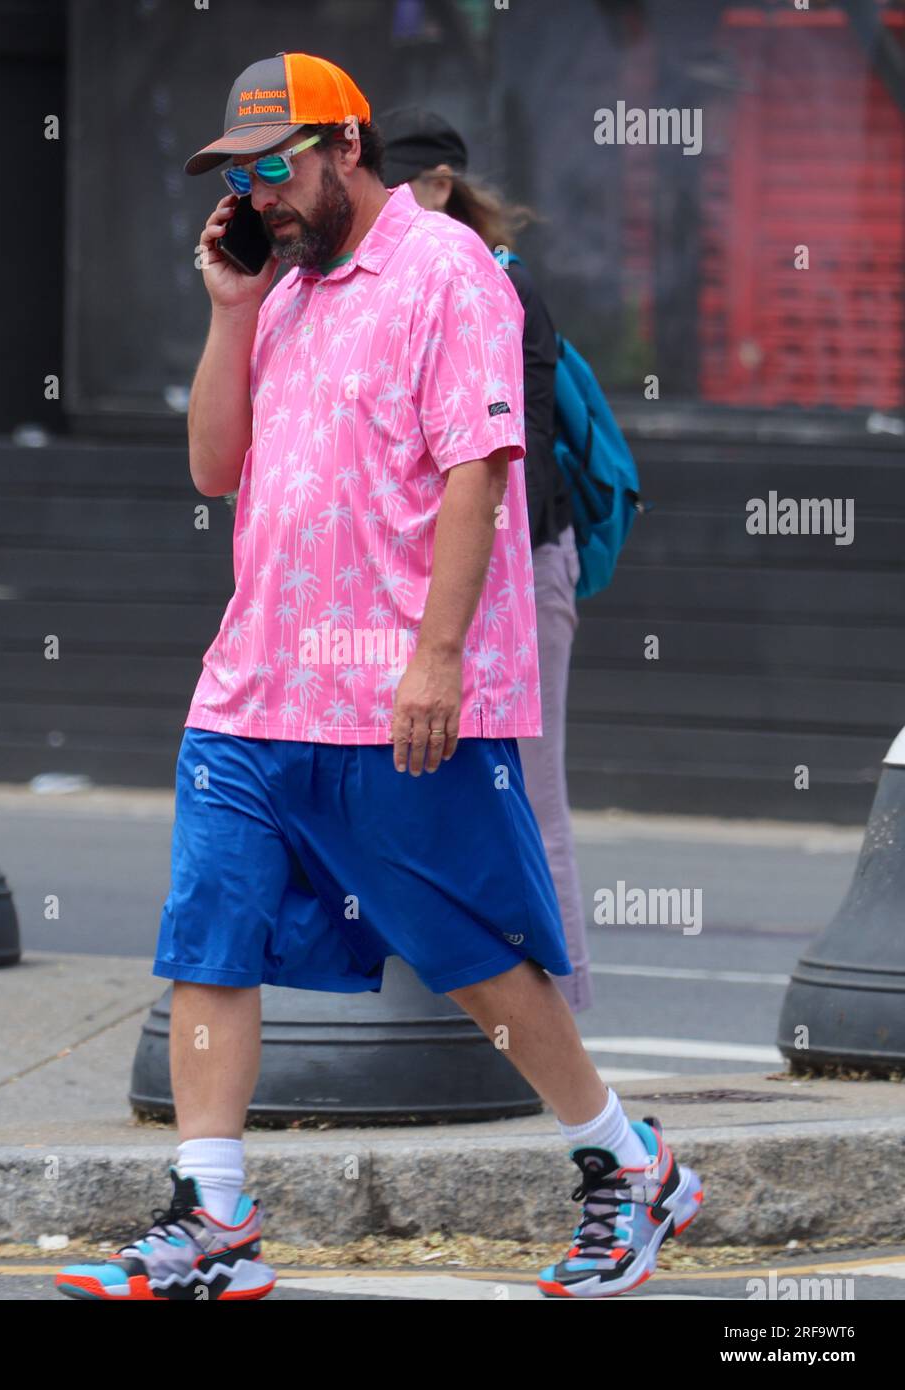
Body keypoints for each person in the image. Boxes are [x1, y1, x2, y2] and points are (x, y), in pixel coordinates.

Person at [56, 52, 702, 1303]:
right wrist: (229, 310)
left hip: (394, 691)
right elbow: (211, 467)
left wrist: (440, 659)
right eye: (238, 173)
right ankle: (213, 1212)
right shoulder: (280, 292)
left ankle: (628, 1162)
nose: (256, 194)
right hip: (253, 686)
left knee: (470, 953)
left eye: (274, 165)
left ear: (346, 146)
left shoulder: (447, 273)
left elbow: (481, 468)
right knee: (210, 937)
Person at [379, 108, 592, 1014]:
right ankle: (461, 1021)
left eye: (398, 188)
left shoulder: (491, 284)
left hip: (522, 567)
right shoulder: (397, 286)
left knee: (531, 802)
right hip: (445, 583)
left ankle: (567, 1025)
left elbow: (519, 469)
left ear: (435, 187)